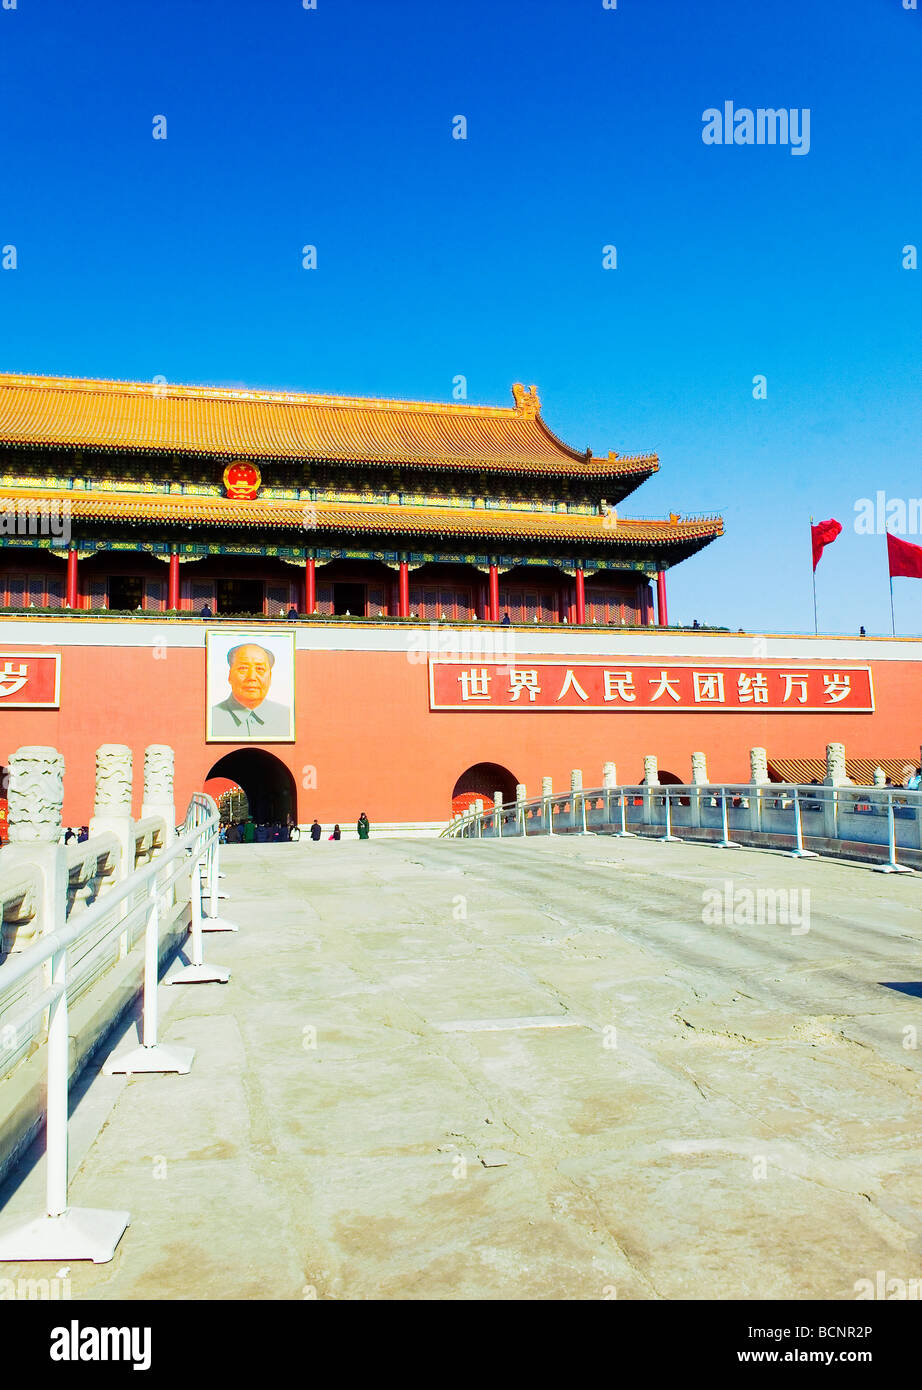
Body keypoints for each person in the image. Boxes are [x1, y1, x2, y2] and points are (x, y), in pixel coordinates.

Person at [210, 641, 292, 738]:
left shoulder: (289, 718)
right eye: (243, 668)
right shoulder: (210, 719)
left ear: (270, 677)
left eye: (260, 669)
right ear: (230, 675)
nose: (252, 677)